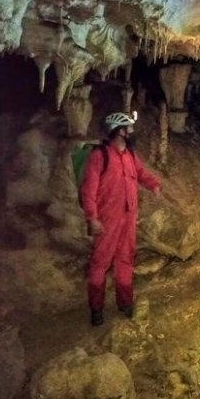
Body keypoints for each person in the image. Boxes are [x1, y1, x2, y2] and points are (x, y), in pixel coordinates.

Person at [80, 112, 161, 326]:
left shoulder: (130, 154)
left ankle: (125, 303)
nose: (132, 132)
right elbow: (89, 190)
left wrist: (153, 185)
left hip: (128, 217)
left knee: (125, 260)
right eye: (129, 129)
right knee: (100, 263)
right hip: (107, 219)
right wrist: (92, 218)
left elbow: (140, 173)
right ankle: (96, 308)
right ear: (118, 131)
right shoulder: (100, 156)